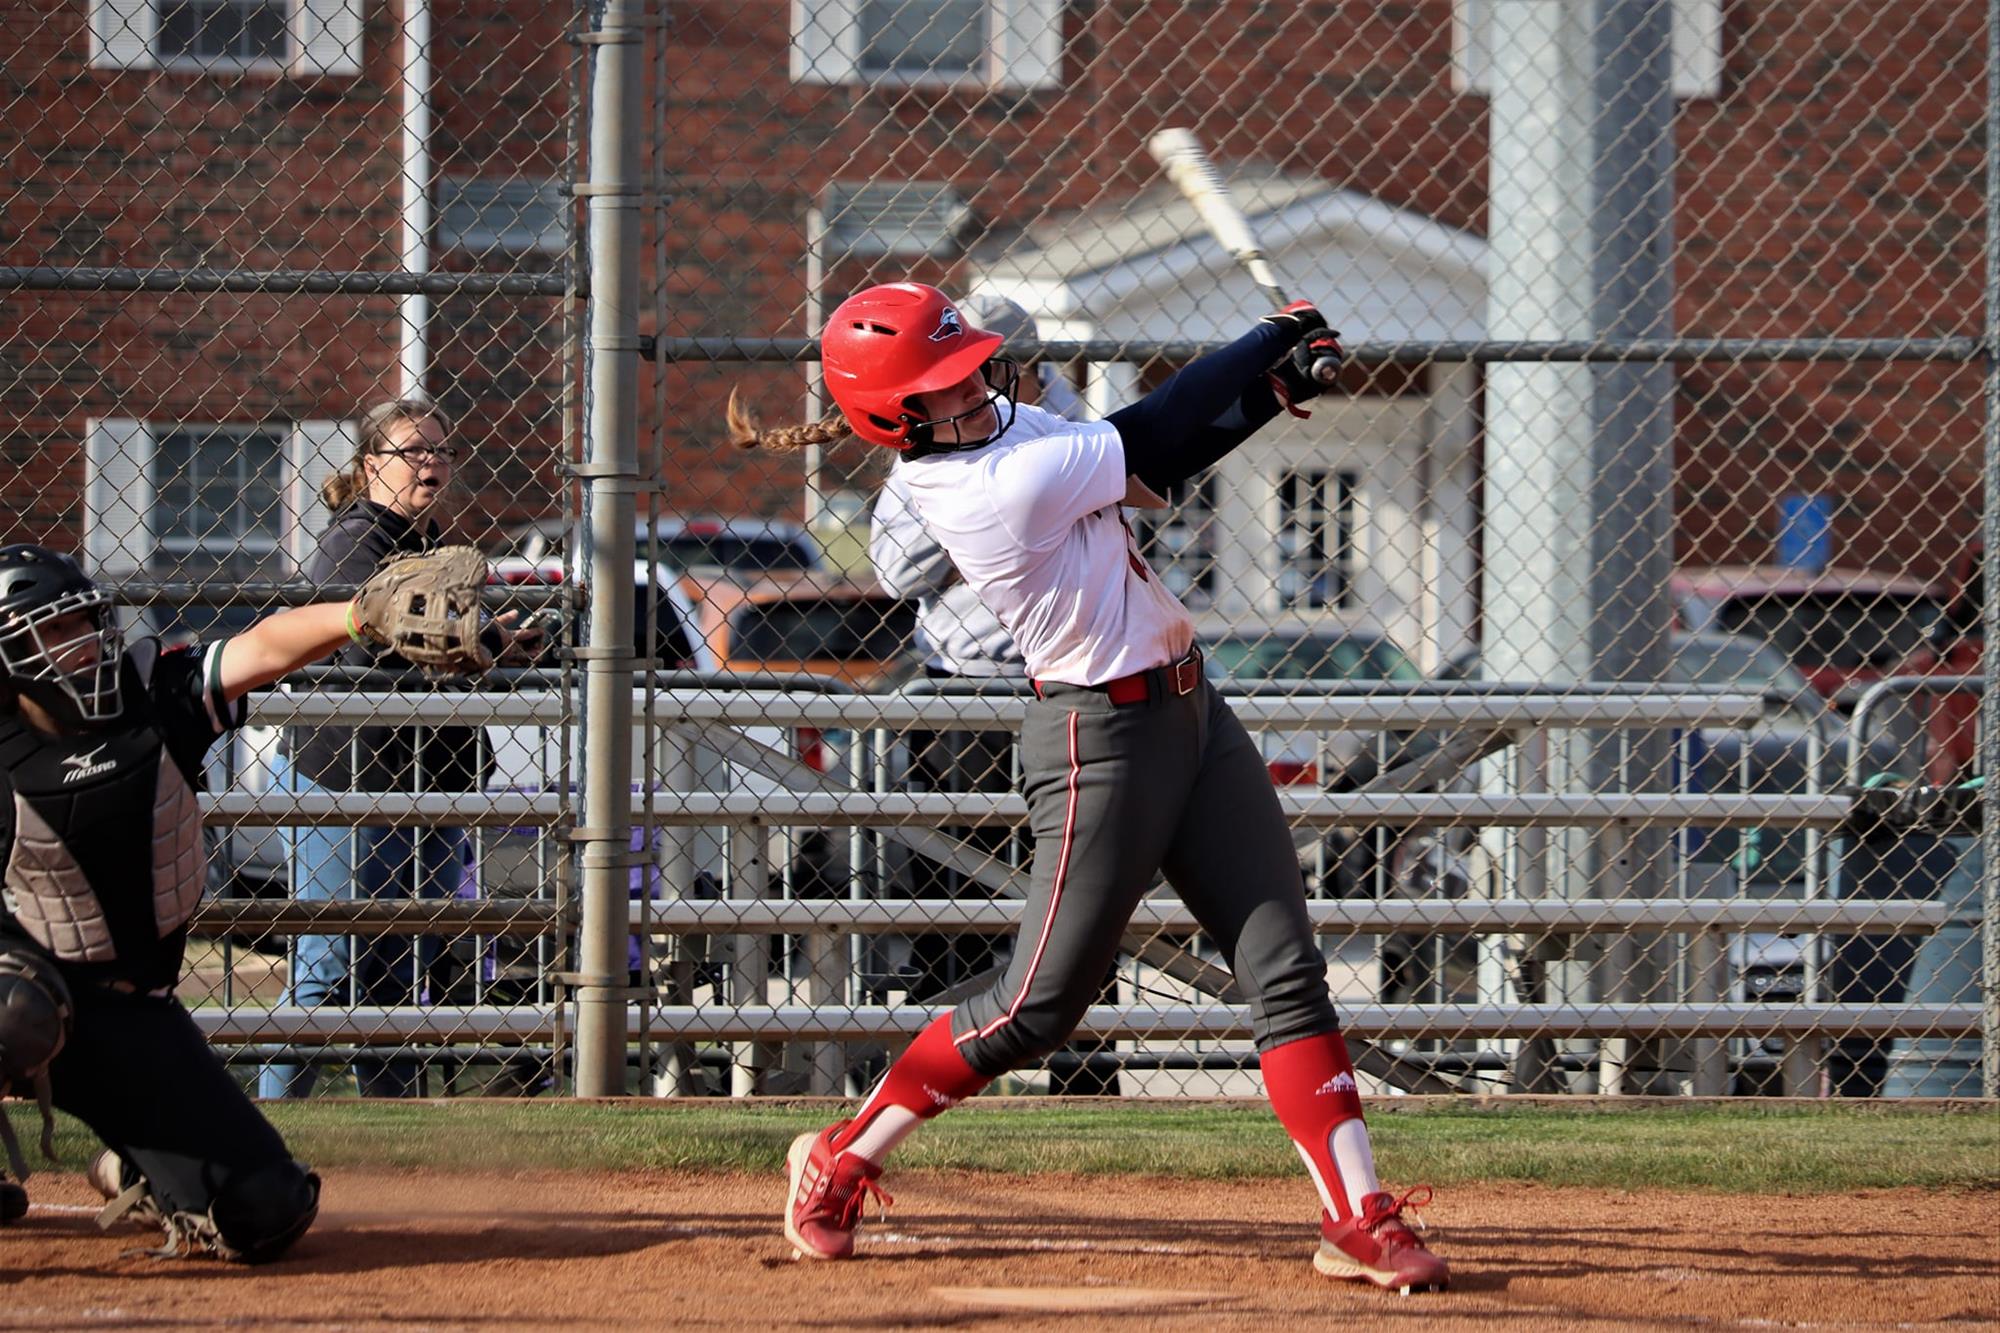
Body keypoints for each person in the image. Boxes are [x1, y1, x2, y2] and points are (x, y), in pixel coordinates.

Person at [730, 281, 1448, 1292]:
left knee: (1283, 969)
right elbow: (1150, 429)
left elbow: (1154, 465)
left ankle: (1354, 1213)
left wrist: (1260, 394)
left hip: (1195, 714)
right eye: (945, 381)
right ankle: (842, 1154)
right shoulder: (975, 488)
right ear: (892, 415)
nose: (979, 383)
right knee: (1035, 1007)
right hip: (1096, 735)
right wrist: (1269, 341)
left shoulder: (1003, 429)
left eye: (973, 364)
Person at [0, 542, 483, 1258]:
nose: (83, 646)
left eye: (86, 623)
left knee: (264, 1212)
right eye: (54, 632)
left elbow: (261, 646)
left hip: (131, 1013)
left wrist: (360, 613)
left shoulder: (153, 695)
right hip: (25, 986)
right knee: (13, 1007)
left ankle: (138, 1167)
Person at [257, 397, 533, 1099]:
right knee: (331, 963)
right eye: (415, 450)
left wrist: (496, 638)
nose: (433, 461)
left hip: (426, 778)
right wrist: (478, 640)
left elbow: (436, 635)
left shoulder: (426, 541)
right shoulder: (356, 540)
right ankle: (272, 1115)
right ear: (372, 463)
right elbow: (380, 644)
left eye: (442, 449)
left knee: (400, 966)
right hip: (349, 777)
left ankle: (394, 1122)